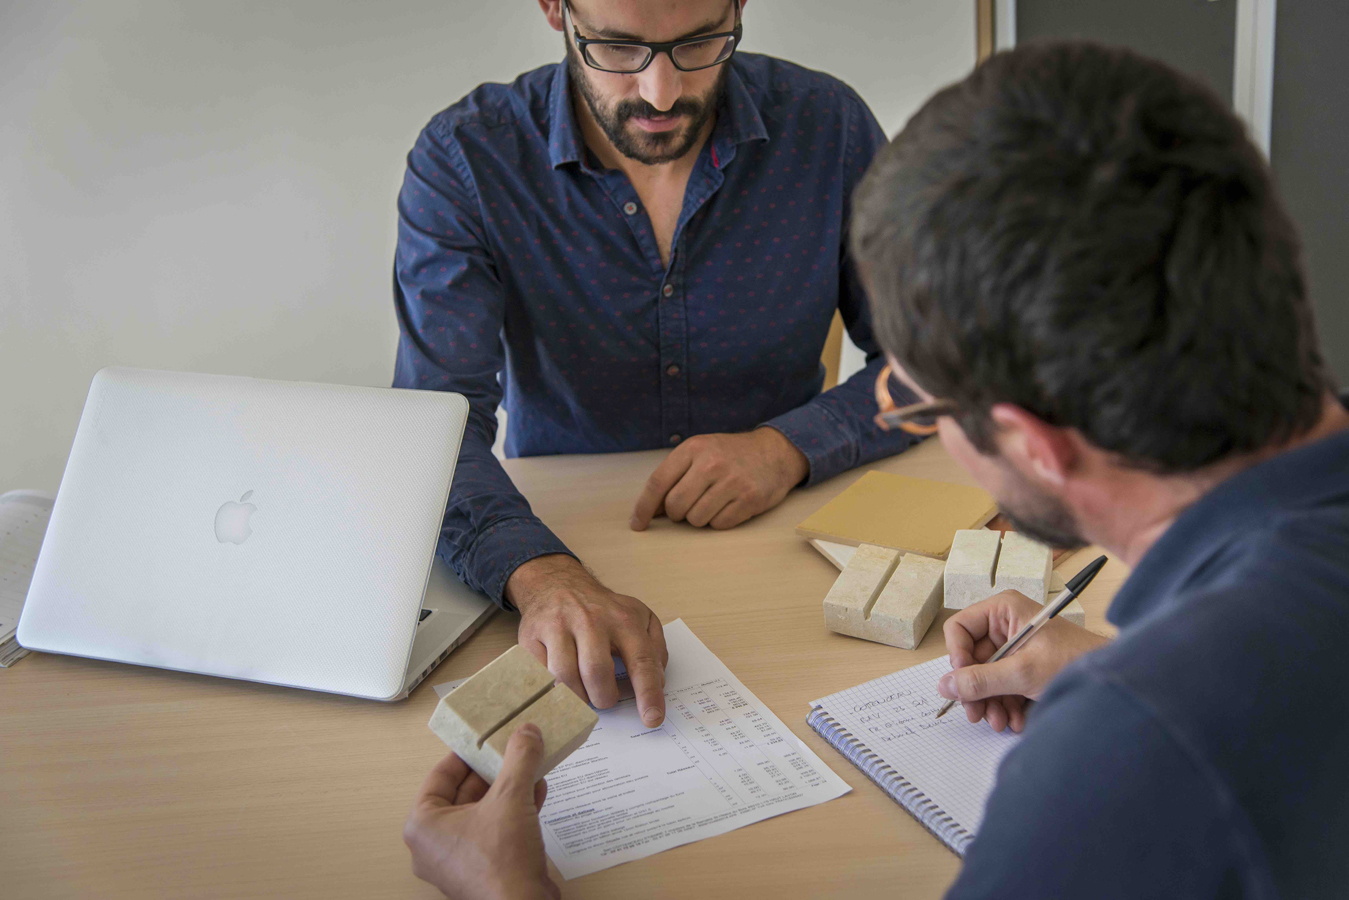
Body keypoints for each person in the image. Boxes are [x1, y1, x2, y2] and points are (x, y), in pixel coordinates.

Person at [404, 40, 1349, 899]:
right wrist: (1122, 672)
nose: (657, 85)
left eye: (920, 405)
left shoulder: (1124, 757)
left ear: (1032, 445)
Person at [392, 0, 918, 730]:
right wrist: (544, 578)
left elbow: (933, 363)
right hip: (562, 538)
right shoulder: (467, 158)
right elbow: (433, 426)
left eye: (699, 42)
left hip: (789, 549)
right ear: (555, 10)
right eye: (616, 48)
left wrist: (788, 448)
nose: (660, 93)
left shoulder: (828, 127)